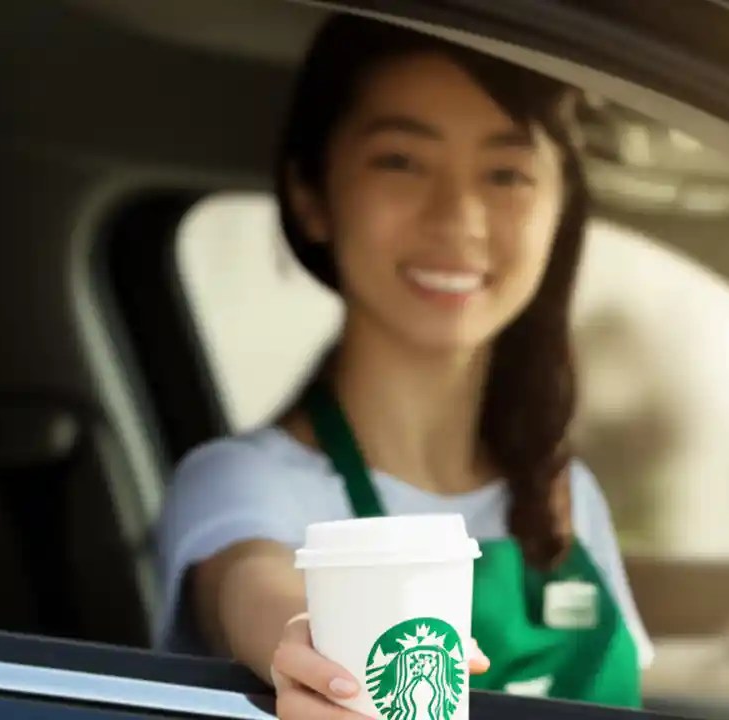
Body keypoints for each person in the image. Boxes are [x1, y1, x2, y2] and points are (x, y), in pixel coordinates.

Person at [153, 14, 652, 718]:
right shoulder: (245, 482)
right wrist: (312, 654)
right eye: (400, 161)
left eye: (506, 173)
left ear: (560, 207)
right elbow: (252, 586)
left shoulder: (565, 493)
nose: (459, 219)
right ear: (311, 195)